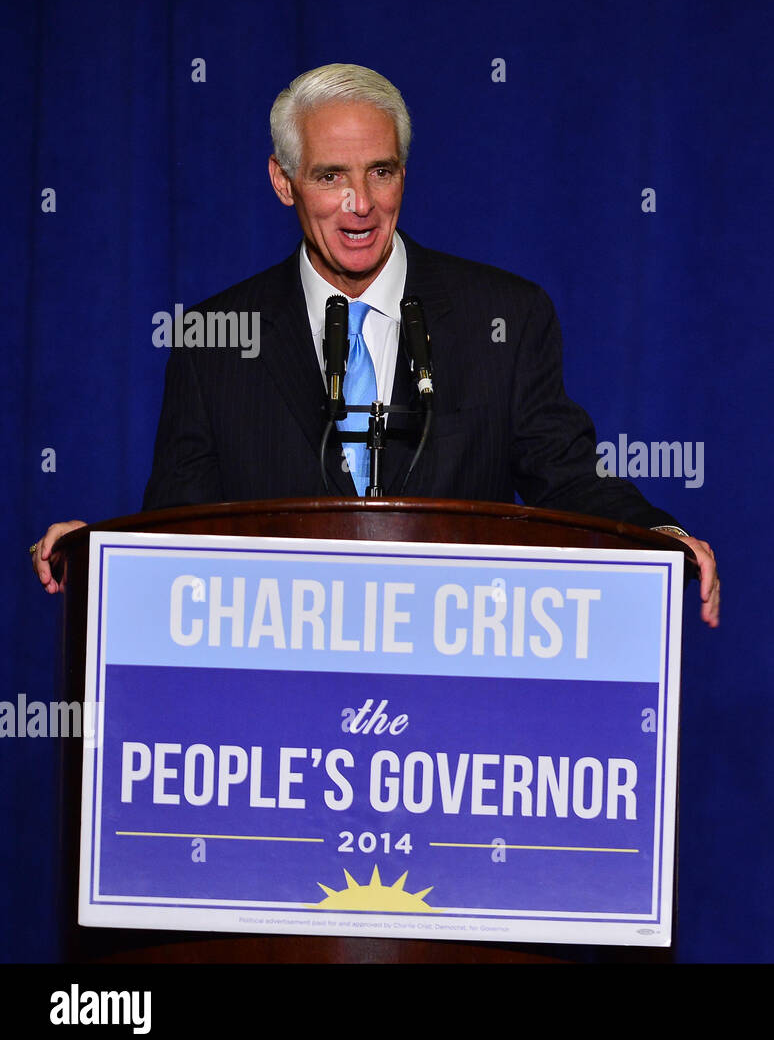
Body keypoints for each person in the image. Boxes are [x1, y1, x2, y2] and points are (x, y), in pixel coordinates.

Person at [31, 64, 718, 625]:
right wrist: (95, 554)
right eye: (331, 176)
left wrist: (659, 537)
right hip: (280, 694)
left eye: (381, 172)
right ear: (283, 181)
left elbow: (566, 477)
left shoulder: (502, 316)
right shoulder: (215, 339)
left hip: (453, 686)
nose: (360, 204)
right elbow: (182, 528)